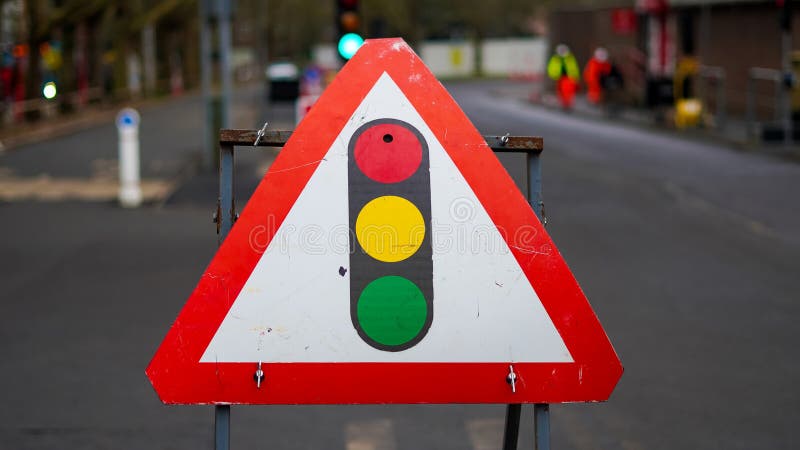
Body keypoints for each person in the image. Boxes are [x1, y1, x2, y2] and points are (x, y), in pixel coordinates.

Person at [547, 44, 580, 110]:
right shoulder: (555, 59)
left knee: (568, 92)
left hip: (568, 78)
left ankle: (567, 104)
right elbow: (551, 68)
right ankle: (563, 103)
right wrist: (553, 75)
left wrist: (575, 77)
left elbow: (574, 68)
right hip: (559, 78)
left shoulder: (570, 58)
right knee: (561, 92)